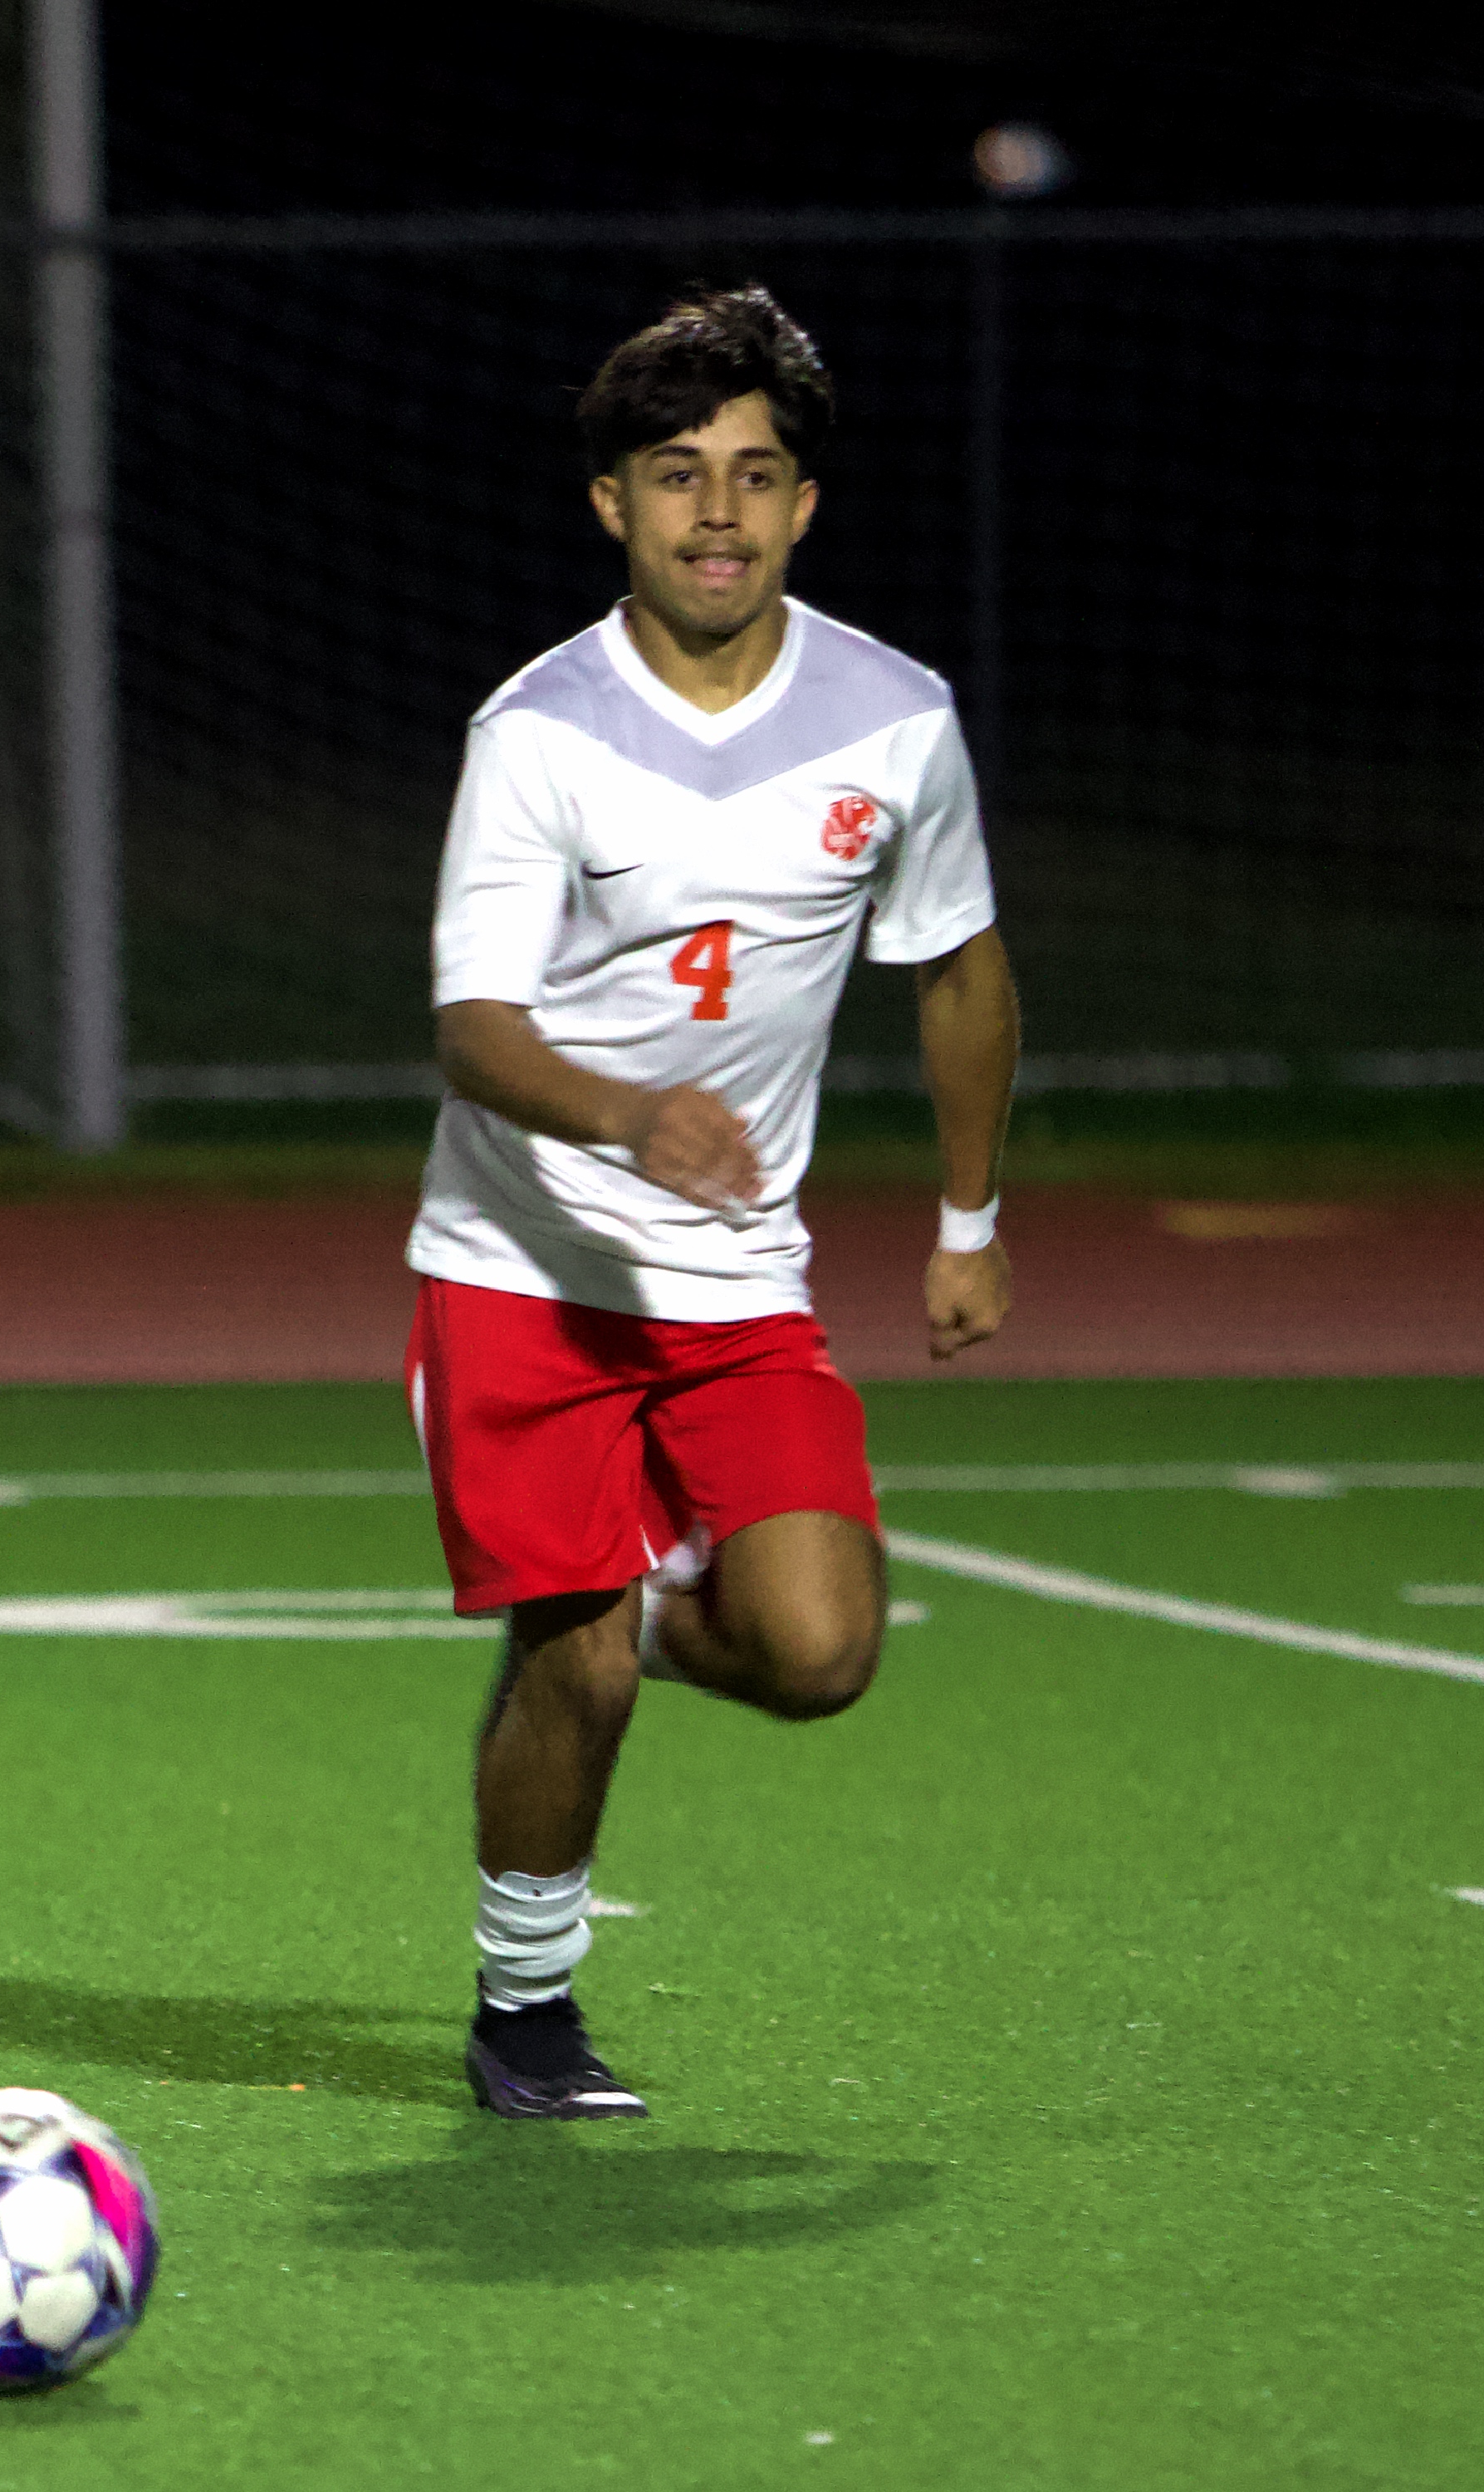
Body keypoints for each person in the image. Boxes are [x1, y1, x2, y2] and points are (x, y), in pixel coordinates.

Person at [409, 286, 1018, 2119]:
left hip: (741, 1277)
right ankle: (527, 2009)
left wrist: (970, 1220)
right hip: (525, 1268)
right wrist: (624, 1113)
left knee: (822, 1655)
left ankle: (670, 1605)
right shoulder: (538, 733)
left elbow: (963, 968)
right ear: (612, 504)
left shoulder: (897, 719)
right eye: (678, 477)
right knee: (571, 1667)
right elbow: (473, 1028)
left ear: (806, 507)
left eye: (757, 475)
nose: (720, 514)